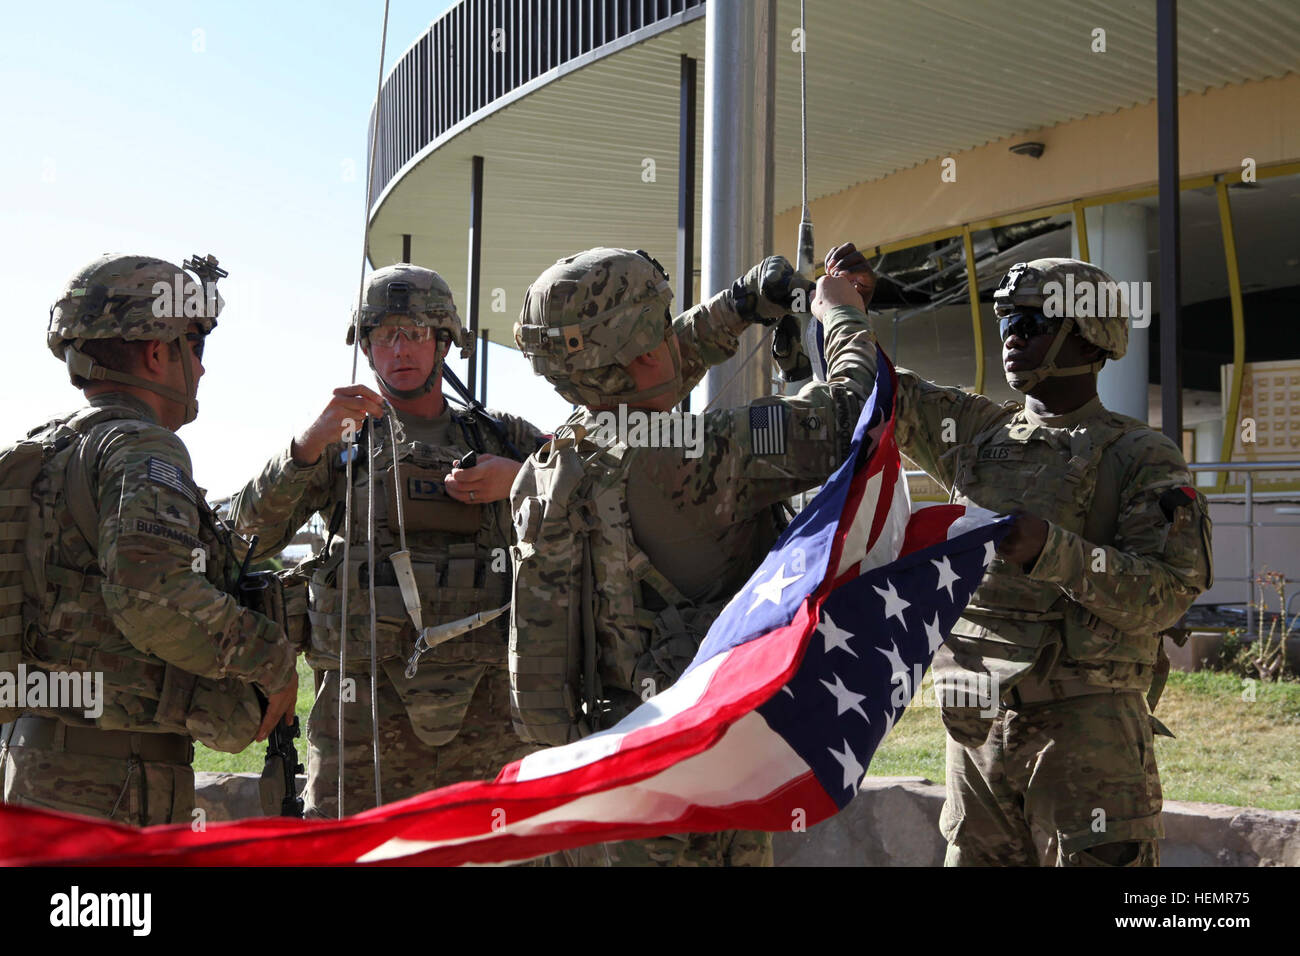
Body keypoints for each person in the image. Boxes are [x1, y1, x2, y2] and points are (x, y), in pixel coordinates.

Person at [823, 245, 1213, 866]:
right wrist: (846, 311)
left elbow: (1166, 595)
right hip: (974, 730)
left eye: (1031, 324)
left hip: (1086, 741)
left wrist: (1052, 550)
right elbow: (875, 389)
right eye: (1006, 321)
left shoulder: (1141, 455)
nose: (1011, 337)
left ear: (1090, 342)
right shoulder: (978, 433)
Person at [509, 247, 879, 865]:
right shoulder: (693, 454)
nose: (670, 347)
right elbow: (844, 417)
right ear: (641, 354)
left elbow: (657, 366)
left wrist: (742, 303)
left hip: (616, 756)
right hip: (700, 764)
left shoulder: (570, 451)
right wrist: (841, 315)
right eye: (654, 332)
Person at [229, 264, 543, 818]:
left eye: (416, 333)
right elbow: (247, 533)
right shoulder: (338, 440)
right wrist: (305, 447)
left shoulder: (503, 436)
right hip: (363, 720)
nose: (400, 349)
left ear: (444, 341)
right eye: (383, 335)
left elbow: (594, 502)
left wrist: (520, 480)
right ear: (367, 348)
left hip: (488, 714)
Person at [0, 253, 298, 825]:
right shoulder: (140, 446)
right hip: (110, 786)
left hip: (37, 760)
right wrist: (272, 658)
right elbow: (150, 595)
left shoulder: (50, 450)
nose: (203, 370)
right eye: (195, 346)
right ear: (158, 353)